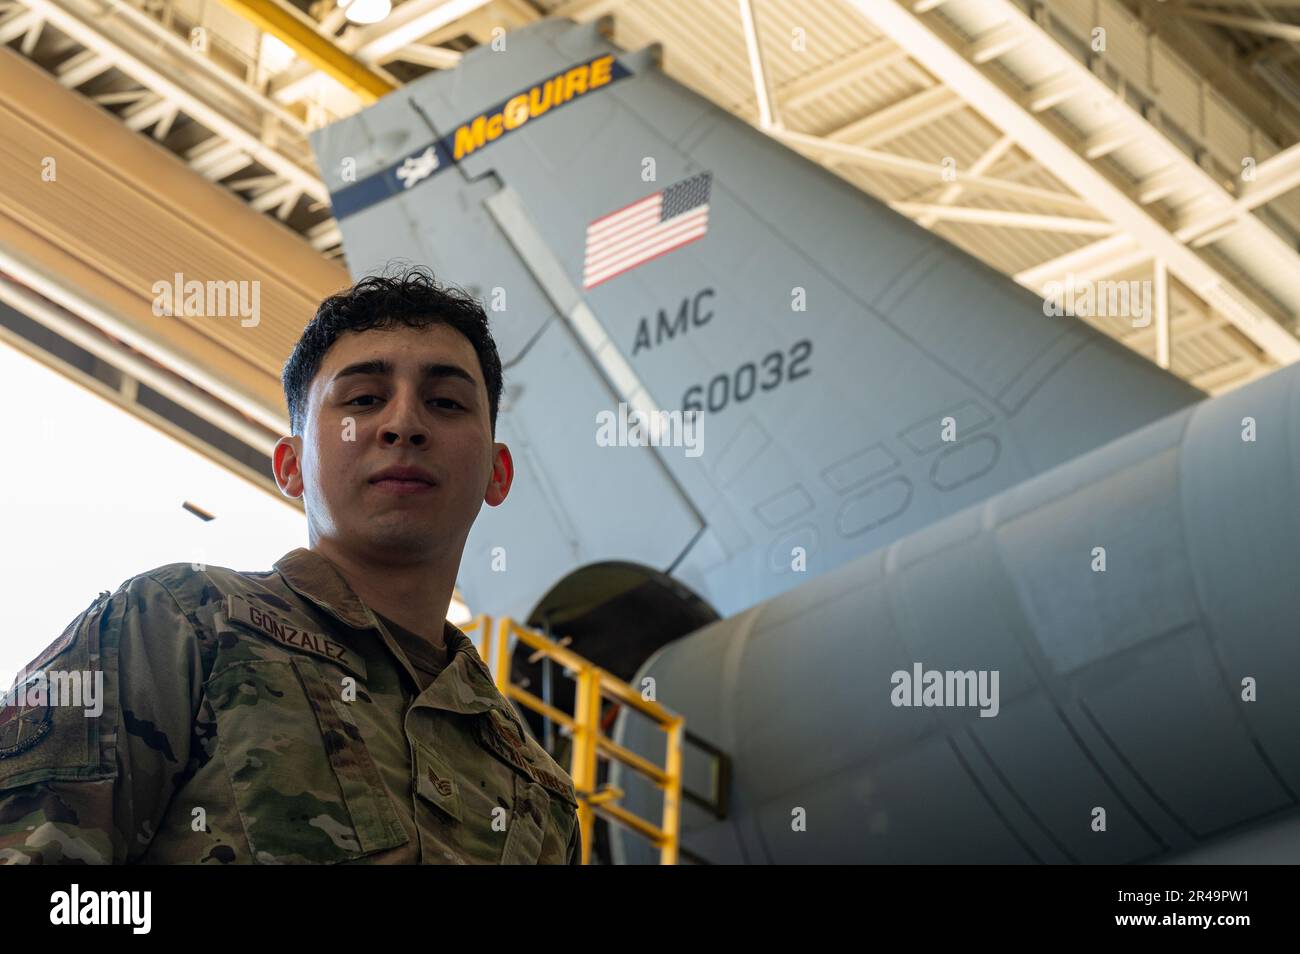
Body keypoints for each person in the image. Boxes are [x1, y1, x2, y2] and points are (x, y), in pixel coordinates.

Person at [0, 267, 581, 864]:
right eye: (362, 400)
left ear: (498, 472)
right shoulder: (179, 626)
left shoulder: (538, 791)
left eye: (446, 403)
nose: (404, 424)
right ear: (290, 465)